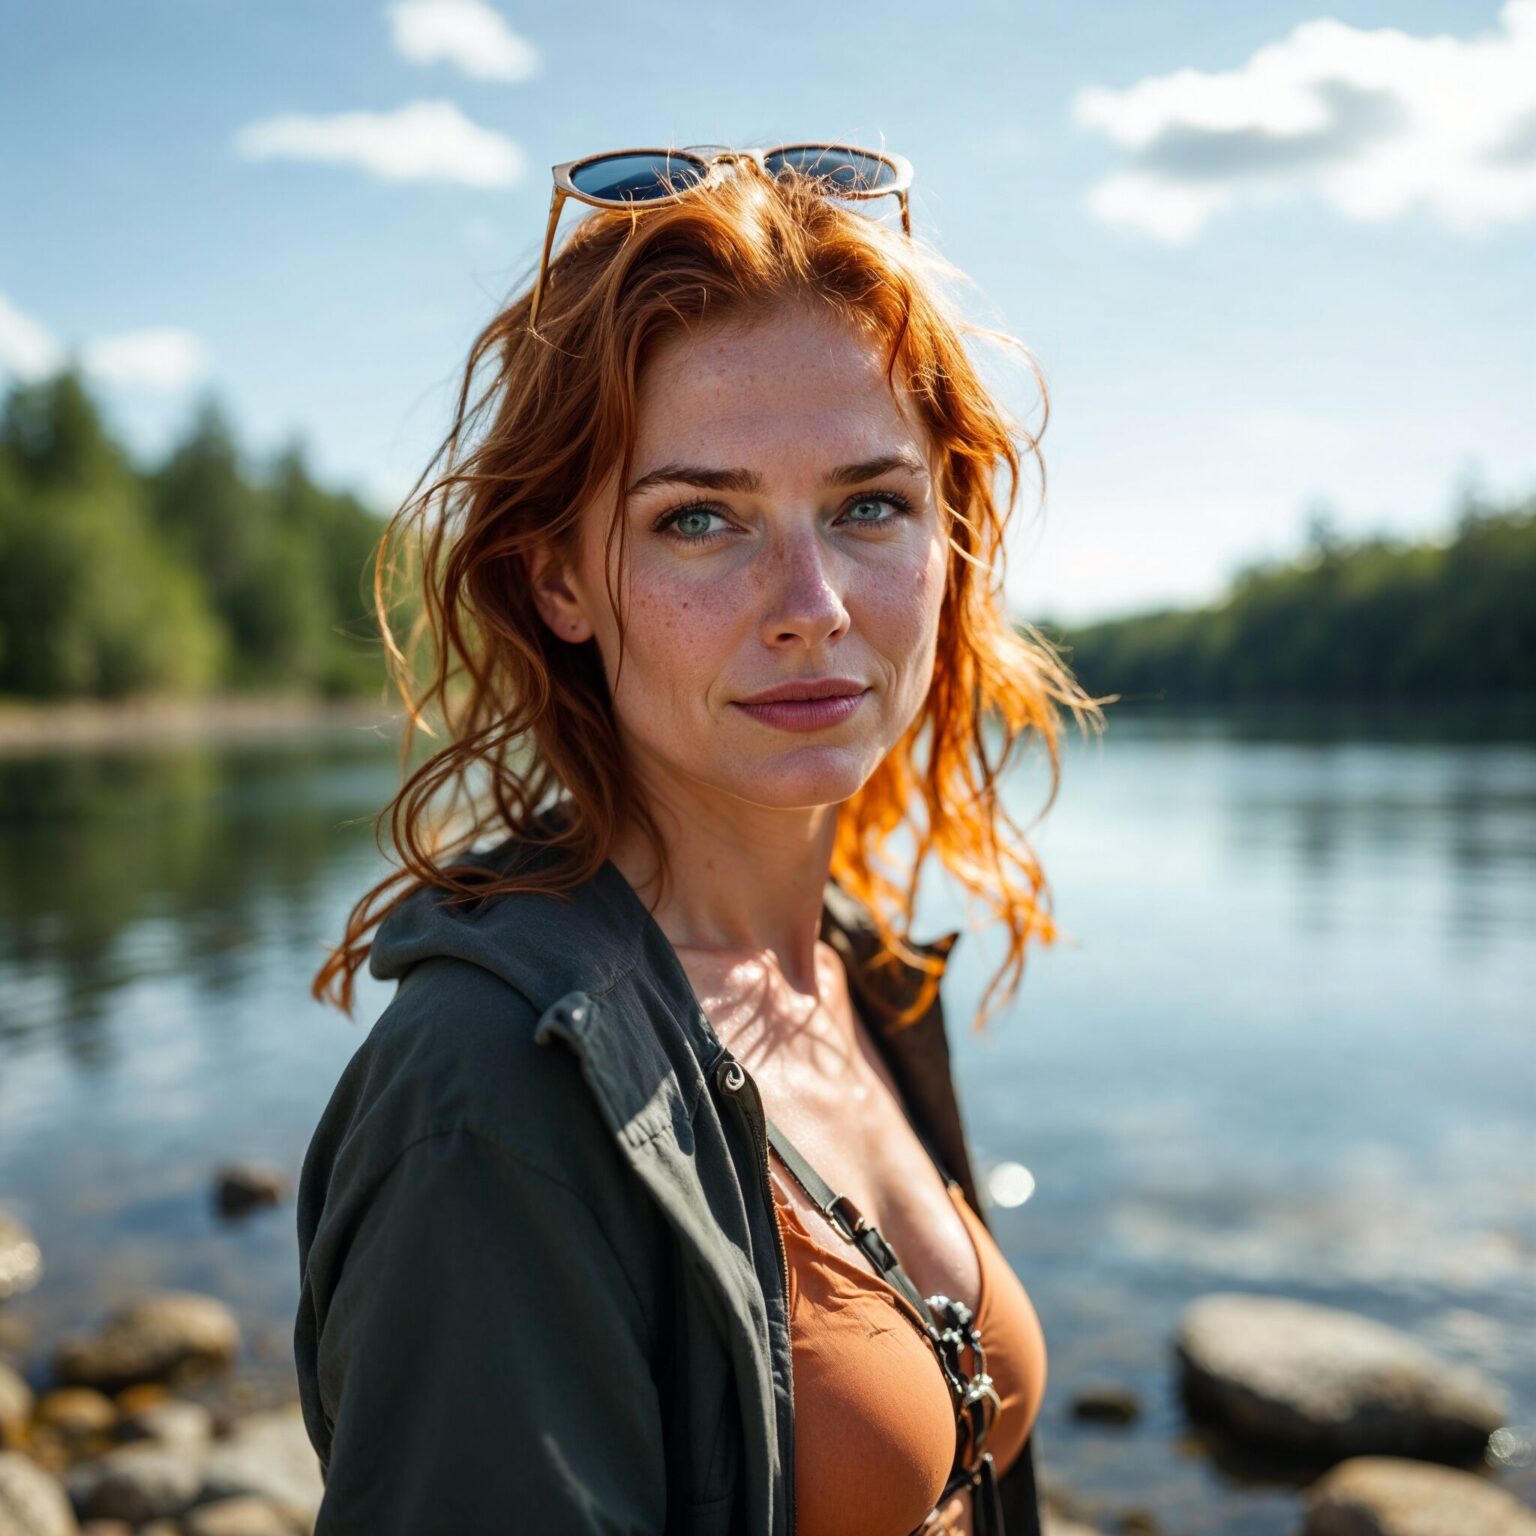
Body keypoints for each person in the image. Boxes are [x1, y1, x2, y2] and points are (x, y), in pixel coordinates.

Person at [296, 144, 1108, 1536]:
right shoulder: (492, 1096)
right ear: (560, 579)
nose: (812, 604)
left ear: (949, 534)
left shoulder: (848, 971)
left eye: (869, 505)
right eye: (698, 519)